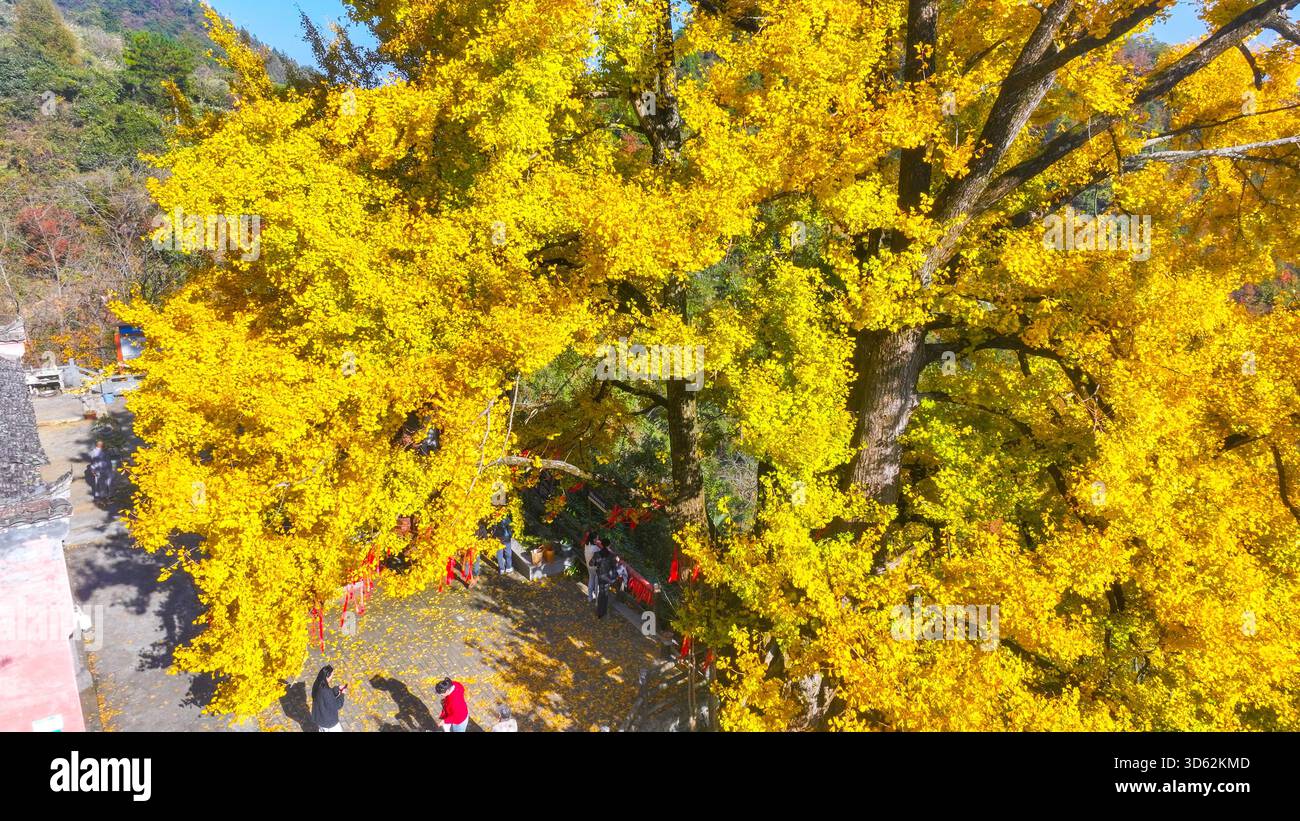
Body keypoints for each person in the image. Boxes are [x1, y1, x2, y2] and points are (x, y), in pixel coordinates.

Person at [311, 664, 348, 732]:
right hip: (329, 723)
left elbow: (327, 697)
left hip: (319, 719)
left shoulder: (317, 684)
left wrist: (337, 689)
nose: (332, 677)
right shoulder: (326, 691)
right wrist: (342, 694)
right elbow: (337, 705)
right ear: (327, 677)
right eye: (332, 675)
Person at [583, 536, 601, 602]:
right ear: (593, 539)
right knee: (597, 585)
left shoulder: (586, 545)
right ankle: (597, 600)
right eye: (596, 538)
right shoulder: (596, 548)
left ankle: (589, 597)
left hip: (589, 566)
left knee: (591, 580)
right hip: (596, 568)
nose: (597, 540)